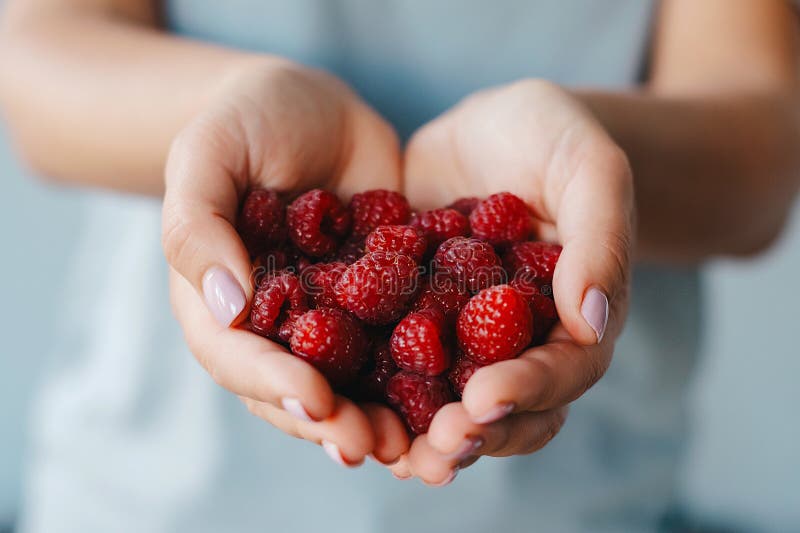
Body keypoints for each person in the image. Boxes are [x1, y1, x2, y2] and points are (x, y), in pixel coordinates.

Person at [1, 0, 798, 531]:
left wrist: (590, 150)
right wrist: (225, 115)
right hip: (148, 489)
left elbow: (764, 152)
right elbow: (34, 62)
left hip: (577, 503)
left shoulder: (444, 282)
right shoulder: (346, 278)